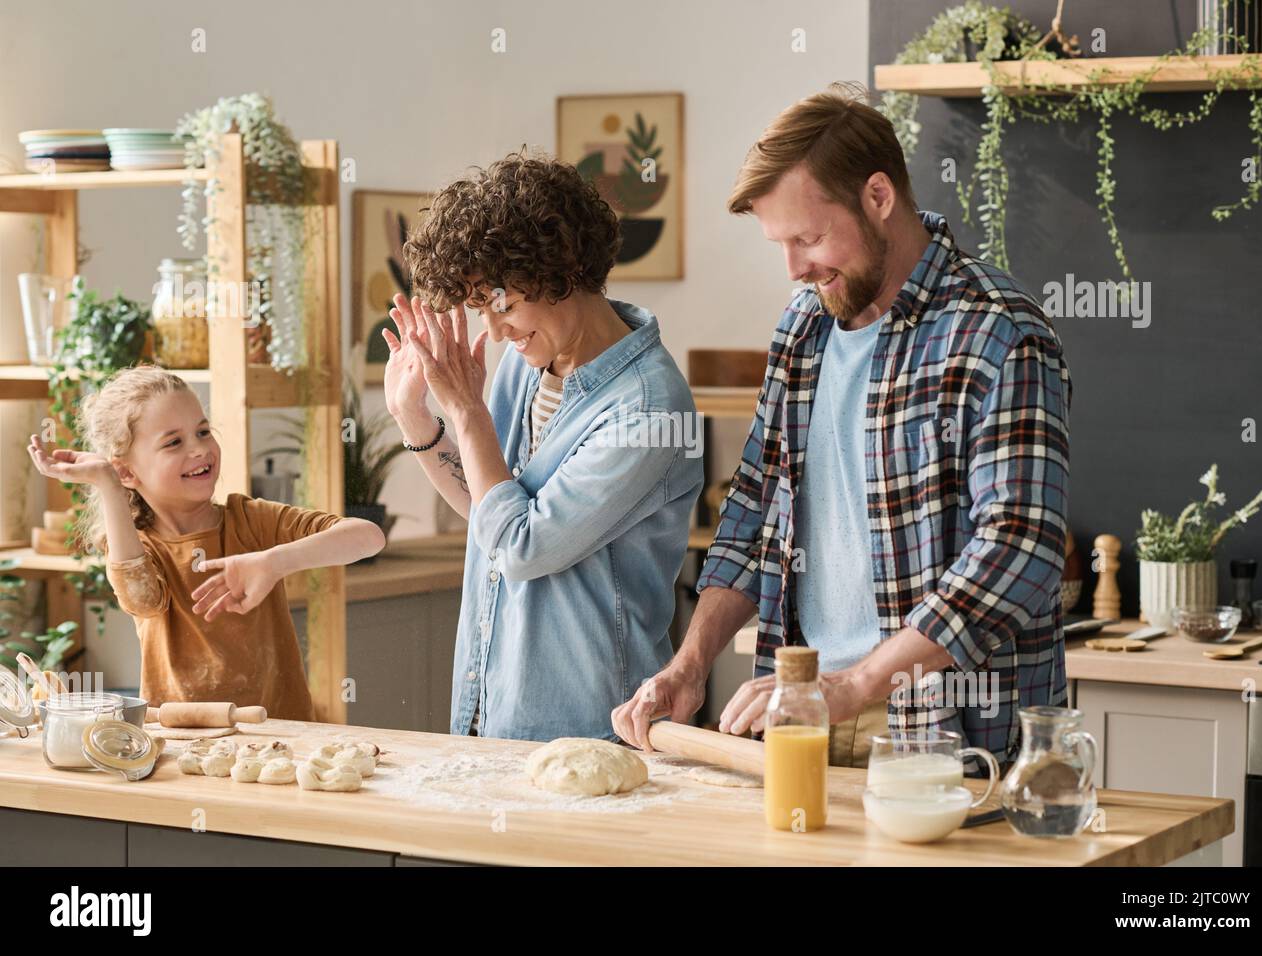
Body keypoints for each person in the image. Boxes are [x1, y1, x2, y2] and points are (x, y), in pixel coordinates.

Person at [613, 82, 1072, 772]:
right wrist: (690, 663)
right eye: (781, 243)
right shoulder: (804, 327)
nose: (796, 268)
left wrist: (855, 685)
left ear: (879, 197)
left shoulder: (997, 333)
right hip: (802, 712)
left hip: (943, 728)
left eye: (810, 236)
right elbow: (753, 517)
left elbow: (1019, 550)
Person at [385, 150, 704, 741]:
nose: (495, 331)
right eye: (480, 310)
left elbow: (522, 546)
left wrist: (466, 411)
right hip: (491, 714)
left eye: (502, 304)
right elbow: (492, 512)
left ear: (563, 269)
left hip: (594, 731)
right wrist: (416, 421)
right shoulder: (525, 366)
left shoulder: (648, 406)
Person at [28, 365, 385, 719]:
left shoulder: (251, 520)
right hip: (184, 742)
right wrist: (107, 484)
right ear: (126, 472)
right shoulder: (137, 546)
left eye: (202, 431)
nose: (199, 449)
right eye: (173, 442)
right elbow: (141, 597)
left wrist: (273, 562)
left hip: (281, 736)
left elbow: (367, 536)